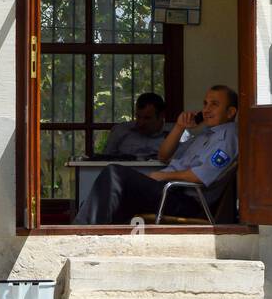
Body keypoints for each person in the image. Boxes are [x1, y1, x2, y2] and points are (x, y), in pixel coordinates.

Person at [74, 85, 238, 225]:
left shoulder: (228, 137)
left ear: (230, 112)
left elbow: (200, 176)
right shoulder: (206, 134)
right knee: (97, 201)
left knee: (114, 174)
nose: (206, 110)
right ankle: (88, 234)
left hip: (185, 201)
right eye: (205, 104)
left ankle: (82, 233)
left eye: (214, 104)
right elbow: (163, 155)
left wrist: (162, 176)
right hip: (171, 193)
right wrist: (180, 126)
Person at [102, 93, 168, 159]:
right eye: (138, 117)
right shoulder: (121, 131)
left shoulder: (171, 134)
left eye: (147, 118)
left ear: (161, 116)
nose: (141, 123)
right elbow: (104, 160)